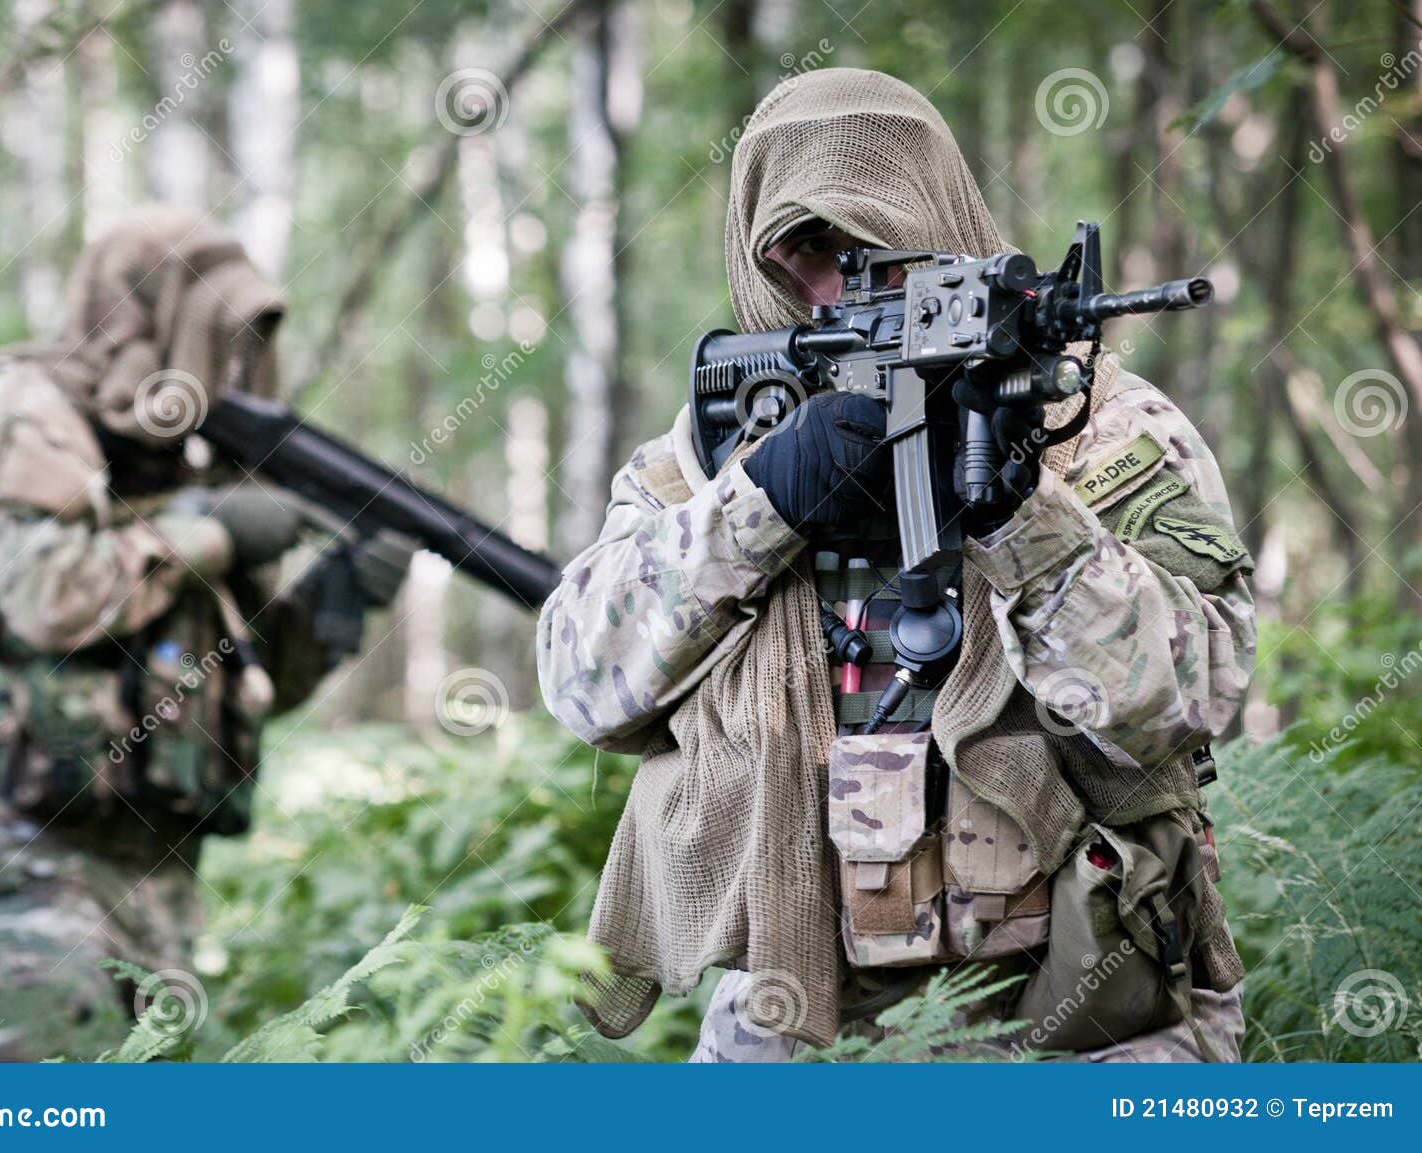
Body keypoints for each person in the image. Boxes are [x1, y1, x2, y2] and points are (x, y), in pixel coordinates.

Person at [537, 69, 1255, 1062]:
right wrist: (765, 497)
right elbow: (581, 685)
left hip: (1081, 1009)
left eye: (870, 251)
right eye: (804, 255)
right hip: (796, 1015)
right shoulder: (709, 457)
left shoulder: (1102, 434)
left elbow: (1198, 691)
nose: (837, 286)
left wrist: (1018, 514)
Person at [0, 208, 408, 1060]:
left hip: (161, 857)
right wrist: (214, 535)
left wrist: (337, 602)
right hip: (31, 839)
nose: (233, 360)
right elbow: (48, 594)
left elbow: (234, 679)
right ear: (146, 310)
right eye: (215, 327)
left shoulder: (177, 463)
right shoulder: (19, 404)